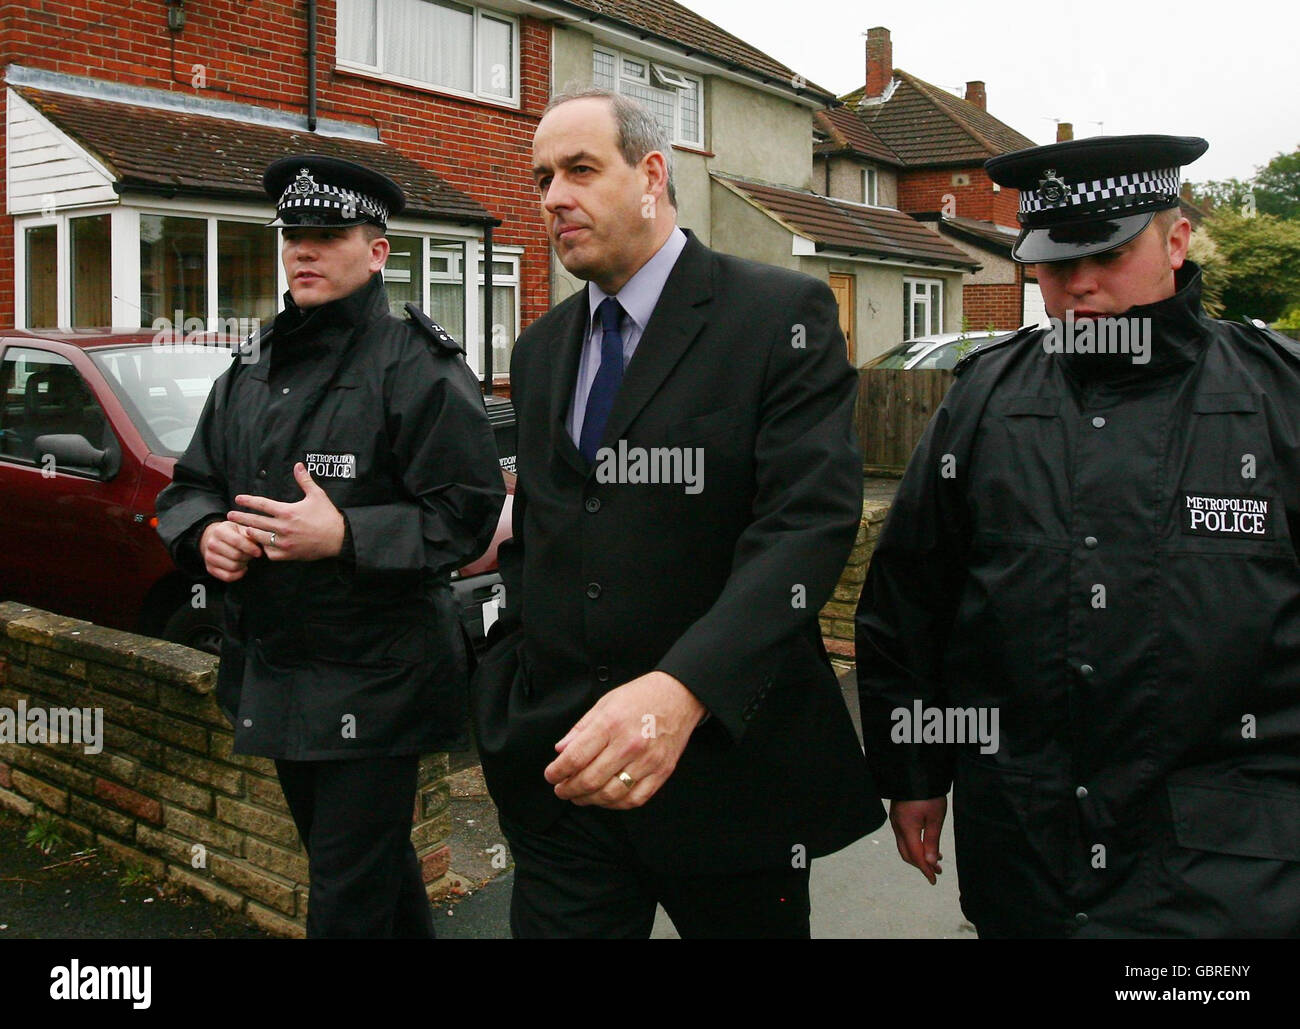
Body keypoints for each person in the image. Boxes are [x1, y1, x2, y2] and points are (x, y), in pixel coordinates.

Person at [856, 133, 1300, 937]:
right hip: (1028, 853)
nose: (1080, 287)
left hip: (1228, 865)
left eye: (1108, 255)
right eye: (1057, 266)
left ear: (1173, 241)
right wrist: (916, 772)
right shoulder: (985, 399)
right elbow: (910, 596)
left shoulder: (1276, 399)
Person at [470, 88, 882, 939]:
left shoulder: (778, 317)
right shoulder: (540, 350)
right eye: (543, 176)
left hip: (729, 778)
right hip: (567, 782)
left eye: (580, 169)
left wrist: (683, 686)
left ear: (652, 174)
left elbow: (806, 526)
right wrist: (509, 695)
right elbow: (544, 534)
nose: (553, 197)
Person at [156, 154, 505, 938]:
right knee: (370, 869)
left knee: (343, 895)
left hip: (376, 679)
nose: (303, 251)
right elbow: (188, 486)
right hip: (275, 666)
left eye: (326, 234)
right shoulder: (250, 365)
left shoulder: (418, 366)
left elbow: (468, 515)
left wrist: (346, 533)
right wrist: (204, 534)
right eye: (293, 236)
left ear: (377, 250)